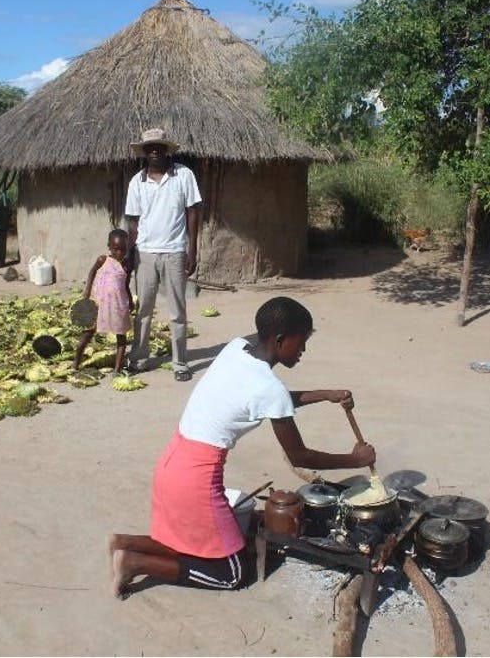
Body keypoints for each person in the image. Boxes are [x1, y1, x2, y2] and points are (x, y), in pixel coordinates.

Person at [107, 296, 376, 597]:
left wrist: (326, 394)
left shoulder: (237, 348)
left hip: (173, 461)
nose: (303, 351)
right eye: (301, 343)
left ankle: (125, 543)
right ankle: (133, 562)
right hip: (196, 479)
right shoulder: (269, 388)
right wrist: (355, 460)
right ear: (280, 340)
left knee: (194, 541)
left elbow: (271, 401)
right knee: (231, 573)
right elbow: (299, 455)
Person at [123, 128, 201, 382]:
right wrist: (129, 252)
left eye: (159, 146)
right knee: (143, 309)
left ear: (167, 149)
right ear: (144, 152)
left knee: (177, 311)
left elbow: (193, 212)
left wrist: (193, 248)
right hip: (145, 254)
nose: (154, 151)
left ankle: (180, 363)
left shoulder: (183, 175)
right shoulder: (137, 182)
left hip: (175, 252)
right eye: (150, 147)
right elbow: (133, 222)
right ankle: (139, 359)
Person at [74, 229, 133, 372]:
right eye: (116, 249)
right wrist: (87, 290)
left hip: (118, 305)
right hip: (99, 303)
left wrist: (130, 299)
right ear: (109, 246)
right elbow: (92, 272)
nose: (119, 253)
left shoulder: (127, 265)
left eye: (123, 249)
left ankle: (117, 370)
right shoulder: (102, 260)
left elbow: (125, 284)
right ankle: (76, 362)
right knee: (87, 334)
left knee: (121, 337)